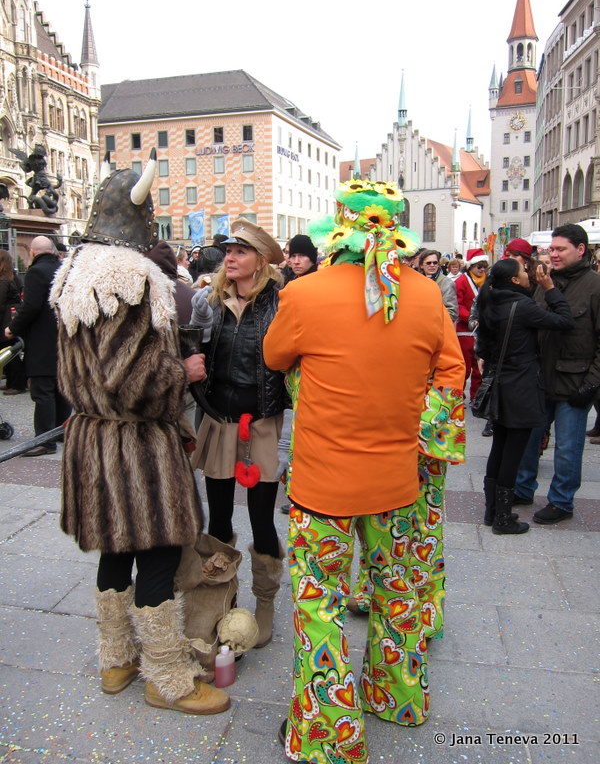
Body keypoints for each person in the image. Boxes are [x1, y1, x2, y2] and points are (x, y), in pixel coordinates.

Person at [263, 179, 466, 764]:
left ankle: (329, 734)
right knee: (397, 593)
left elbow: (275, 357)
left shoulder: (305, 294)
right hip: (399, 482)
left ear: (340, 227)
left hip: (323, 485)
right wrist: (420, 430)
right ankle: (397, 698)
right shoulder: (427, 295)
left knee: (319, 602)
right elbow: (451, 374)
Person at [50, 155, 230, 715]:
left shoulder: (76, 271)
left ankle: (116, 659)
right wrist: (184, 372)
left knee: (113, 548)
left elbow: (85, 373)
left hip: (91, 440)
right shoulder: (130, 279)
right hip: (135, 446)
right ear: (140, 216)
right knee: (154, 551)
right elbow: (130, 380)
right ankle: (166, 675)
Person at [191, 218, 287, 648]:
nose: (229, 257)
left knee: (263, 517)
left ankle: (264, 600)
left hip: (261, 424)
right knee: (220, 517)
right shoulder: (208, 301)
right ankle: (220, 596)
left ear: (261, 260)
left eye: (240, 251)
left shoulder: (281, 304)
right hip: (218, 419)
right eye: (228, 250)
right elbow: (192, 352)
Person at [476, 258, 574, 534]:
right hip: (521, 387)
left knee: (499, 447)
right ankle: (504, 519)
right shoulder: (523, 307)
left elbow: (482, 348)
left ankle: (491, 511)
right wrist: (551, 288)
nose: (529, 273)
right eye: (523, 271)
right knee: (513, 453)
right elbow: (565, 321)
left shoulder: (491, 302)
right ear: (515, 281)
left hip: (500, 386)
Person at [513, 224, 600, 523]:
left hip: (574, 381)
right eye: (552, 249)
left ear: (580, 249)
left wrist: (591, 383)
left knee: (567, 448)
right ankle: (523, 489)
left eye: (560, 249)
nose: (554, 254)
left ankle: (561, 502)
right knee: (528, 440)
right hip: (539, 379)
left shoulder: (595, 286)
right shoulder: (543, 281)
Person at [5, 236, 70, 455]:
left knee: (42, 391)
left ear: (32, 253)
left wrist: (12, 328)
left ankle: (44, 440)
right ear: (53, 251)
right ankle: (61, 431)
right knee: (60, 389)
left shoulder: (36, 272)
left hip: (42, 341)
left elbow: (30, 306)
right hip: (64, 339)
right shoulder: (63, 270)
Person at [455, 248, 489, 403]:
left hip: (483, 330)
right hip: (465, 331)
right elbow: (458, 304)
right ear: (471, 267)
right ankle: (458, 395)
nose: (481, 270)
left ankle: (476, 396)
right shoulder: (461, 281)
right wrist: (469, 318)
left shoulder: (487, 282)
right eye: (478, 267)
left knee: (479, 367)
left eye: (484, 267)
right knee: (465, 366)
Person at [0, 250, 27, 394]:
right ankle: (12, 381)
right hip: (9, 316)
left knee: (10, 351)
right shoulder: (11, 277)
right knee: (9, 349)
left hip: (5, 318)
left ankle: (17, 384)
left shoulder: (3, 280)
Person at [418, 249, 458, 321]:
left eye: (435, 263)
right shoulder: (417, 282)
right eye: (428, 263)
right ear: (421, 265)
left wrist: (430, 321)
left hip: (438, 327)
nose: (432, 265)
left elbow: (452, 313)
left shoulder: (447, 283)